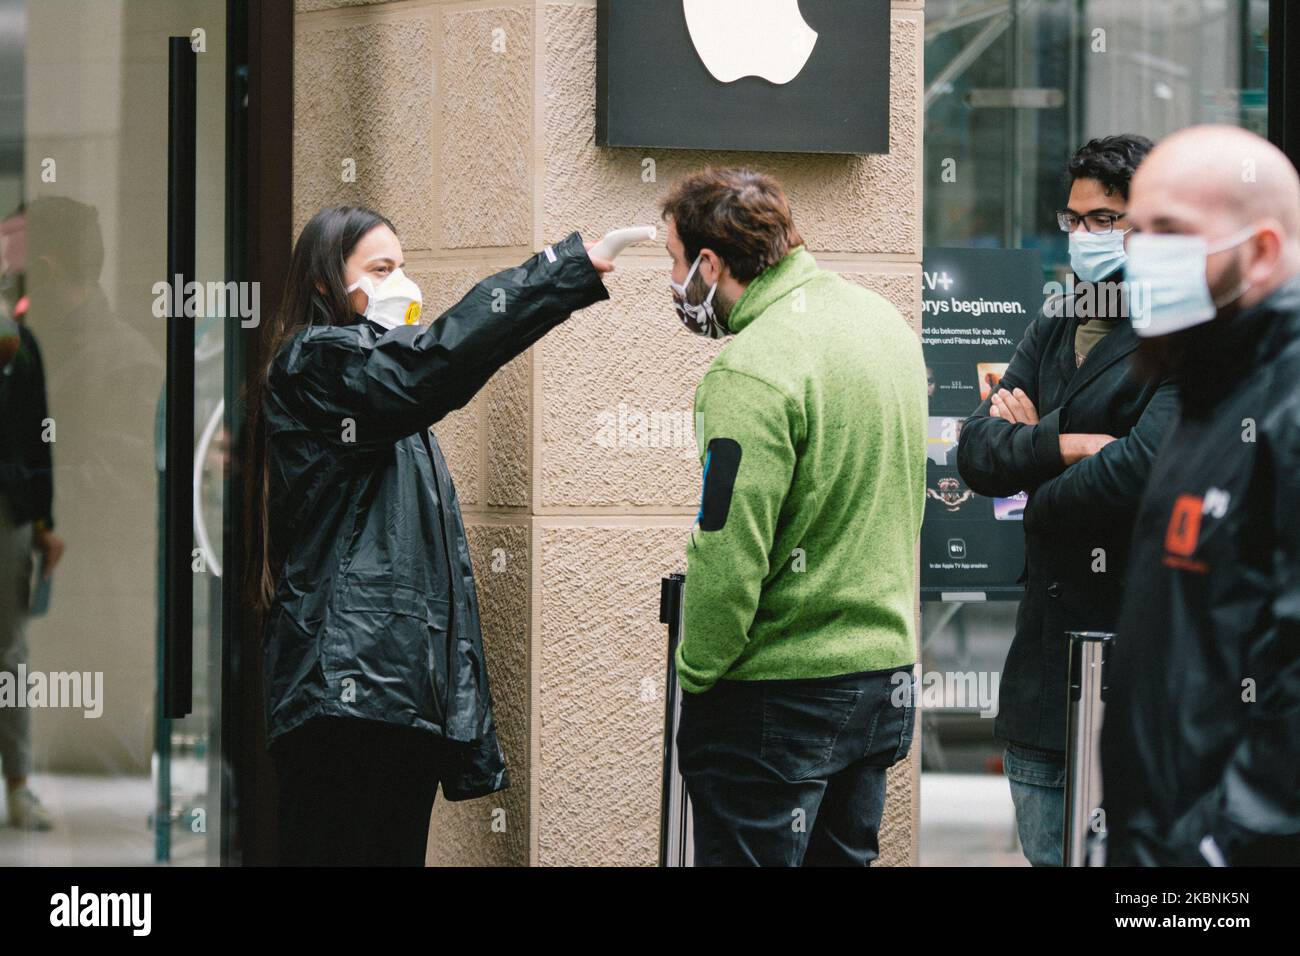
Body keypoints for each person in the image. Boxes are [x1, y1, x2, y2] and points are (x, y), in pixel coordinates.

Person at [250, 206, 612, 866]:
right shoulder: (319, 366)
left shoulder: (374, 381)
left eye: (403, 267)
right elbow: (428, 368)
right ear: (327, 282)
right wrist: (559, 273)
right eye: (380, 269)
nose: (401, 284)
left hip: (391, 692)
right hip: (348, 691)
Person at [664, 167, 927, 866]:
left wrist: (699, 669)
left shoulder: (750, 369)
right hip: (883, 676)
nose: (673, 280)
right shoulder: (882, 323)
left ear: (709, 262)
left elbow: (727, 543)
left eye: (672, 260)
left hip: (777, 695)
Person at [956, 134, 1178, 866]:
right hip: (1043, 679)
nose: (1087, 235)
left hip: (1134, 669)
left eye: (1106, 218)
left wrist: (1037, 485)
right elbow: (977, 451)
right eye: (1076, 219)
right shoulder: (1058, 317)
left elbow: (1144, 466)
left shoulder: (1180, 329)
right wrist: (1072, 445)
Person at [1100, 125, 1300, 866]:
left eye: (1174, 232)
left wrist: (1215, 848)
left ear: (1264, 250)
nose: (1145, 255)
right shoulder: (1206, 392)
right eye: (1138, 231)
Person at [0, 207, 65, 831]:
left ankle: (17, 782)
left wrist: (43, 522)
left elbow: (34, 436)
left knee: (10, 652)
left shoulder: (20, 344)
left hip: (8, 511)